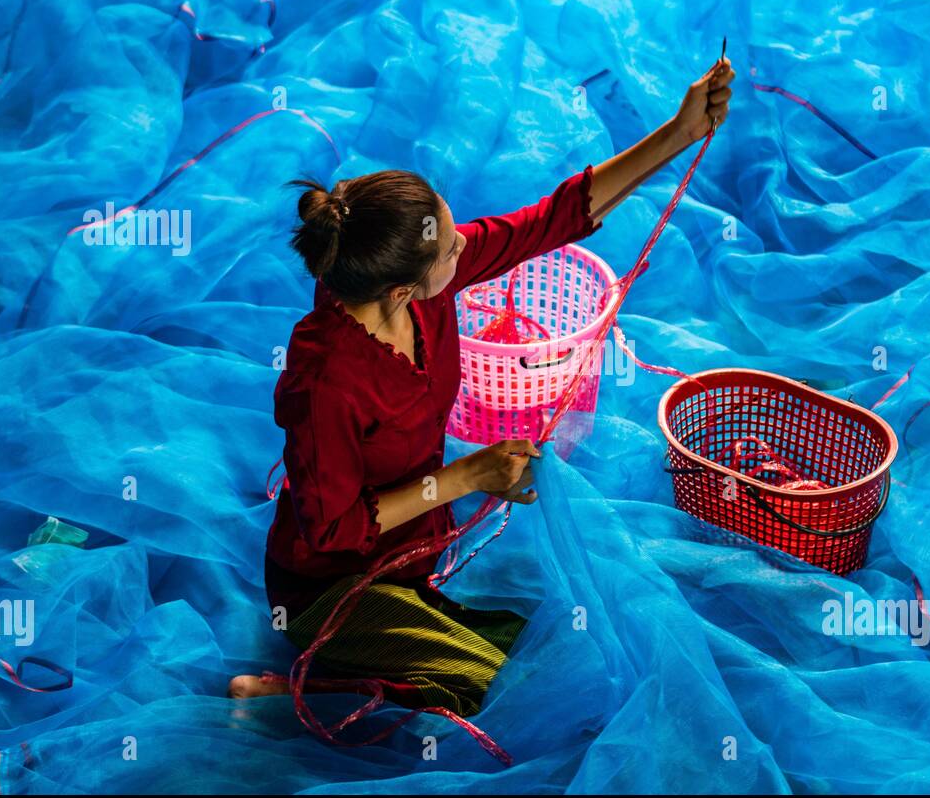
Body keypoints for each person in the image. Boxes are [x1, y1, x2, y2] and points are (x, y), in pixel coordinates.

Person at [228, 56, 734, 714]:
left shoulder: (424, 294)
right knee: (499, 690)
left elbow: (549, 221)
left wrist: (679, 130)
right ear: (402, 289)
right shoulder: (329, 380)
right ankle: (288, 691)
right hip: (327, 585)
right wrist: (467, 477)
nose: (466, 248)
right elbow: (333, 531)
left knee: (542, 652)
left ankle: (395, 639)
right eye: (451, 251)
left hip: (406, 559)